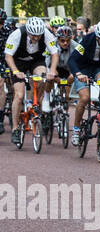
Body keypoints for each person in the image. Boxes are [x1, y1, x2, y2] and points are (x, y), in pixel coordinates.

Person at [5, 16, 60, 144]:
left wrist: (51, 71)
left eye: (38, 36)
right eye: (33, 36)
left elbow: (55, 54)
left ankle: (34, 102)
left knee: (43, 77)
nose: (36, 38)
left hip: (36, 60)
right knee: (19, 95)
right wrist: (16, 72)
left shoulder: (47, 33)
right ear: (28, 31)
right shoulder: (17, 34)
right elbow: (8, 56)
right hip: (18, 62)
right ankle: (15, 129)